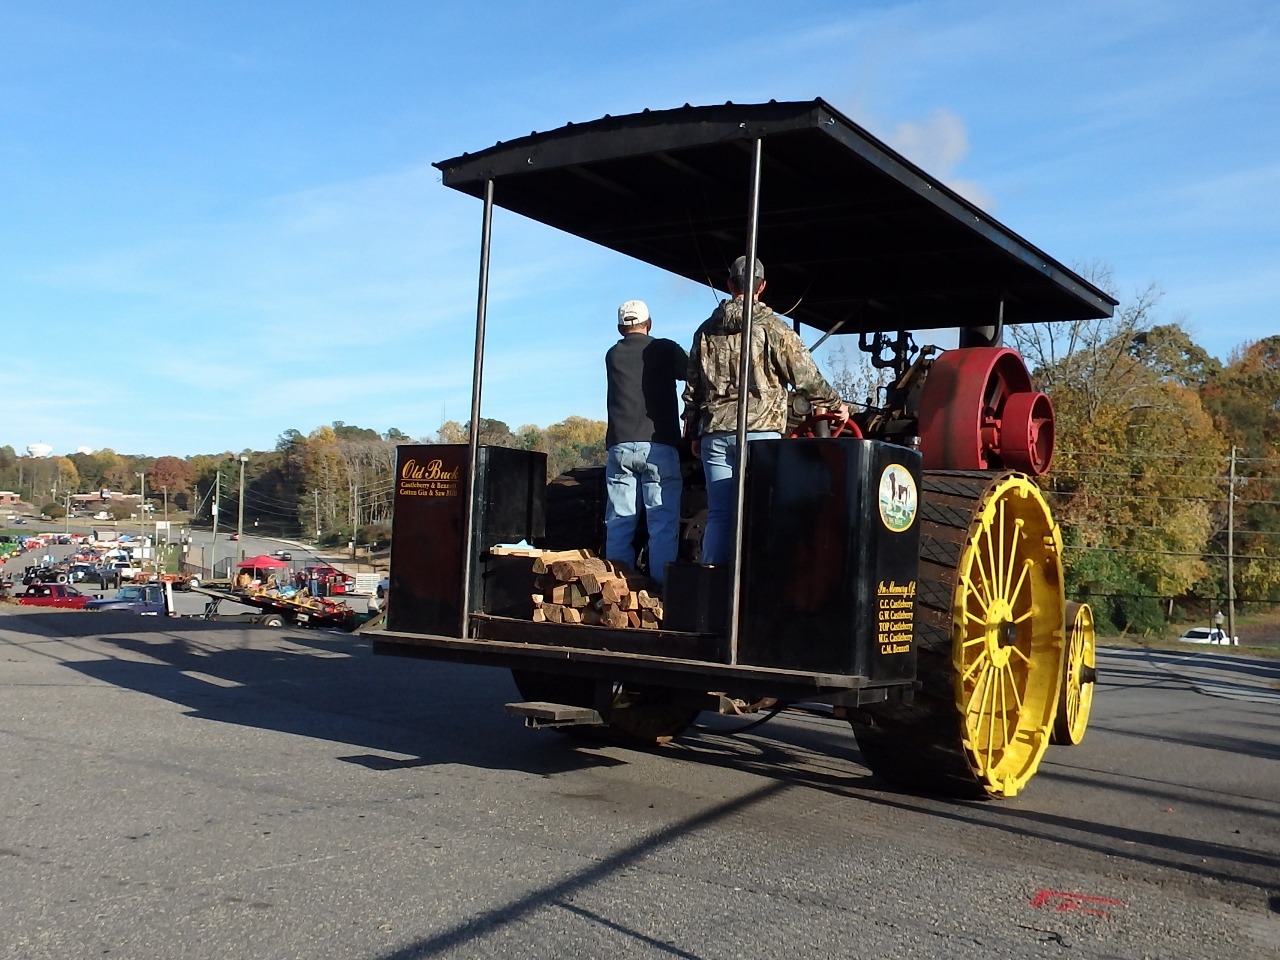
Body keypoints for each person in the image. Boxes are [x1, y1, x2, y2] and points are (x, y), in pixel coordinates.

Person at [683, 256, 847, 565]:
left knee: (719, 514)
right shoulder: (775, 330)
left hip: (714, 434)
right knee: (760, 513)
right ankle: (755, 590)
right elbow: (806, 380)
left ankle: (712, 586)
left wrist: (694, 430)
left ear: (729, 285)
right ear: (763, 287)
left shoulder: (704, 332)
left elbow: (693, 389)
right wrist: (837, 406)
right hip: (760, 435)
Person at [603, 299, 689, 588]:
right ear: (649, 323)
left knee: (619, 522)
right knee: (662, 524)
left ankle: (618, 589)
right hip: (659, 445)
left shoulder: (612, 354)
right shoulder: (664, 348)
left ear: (619, 328)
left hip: (620, 445)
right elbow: (694, 373)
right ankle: (662, 593)